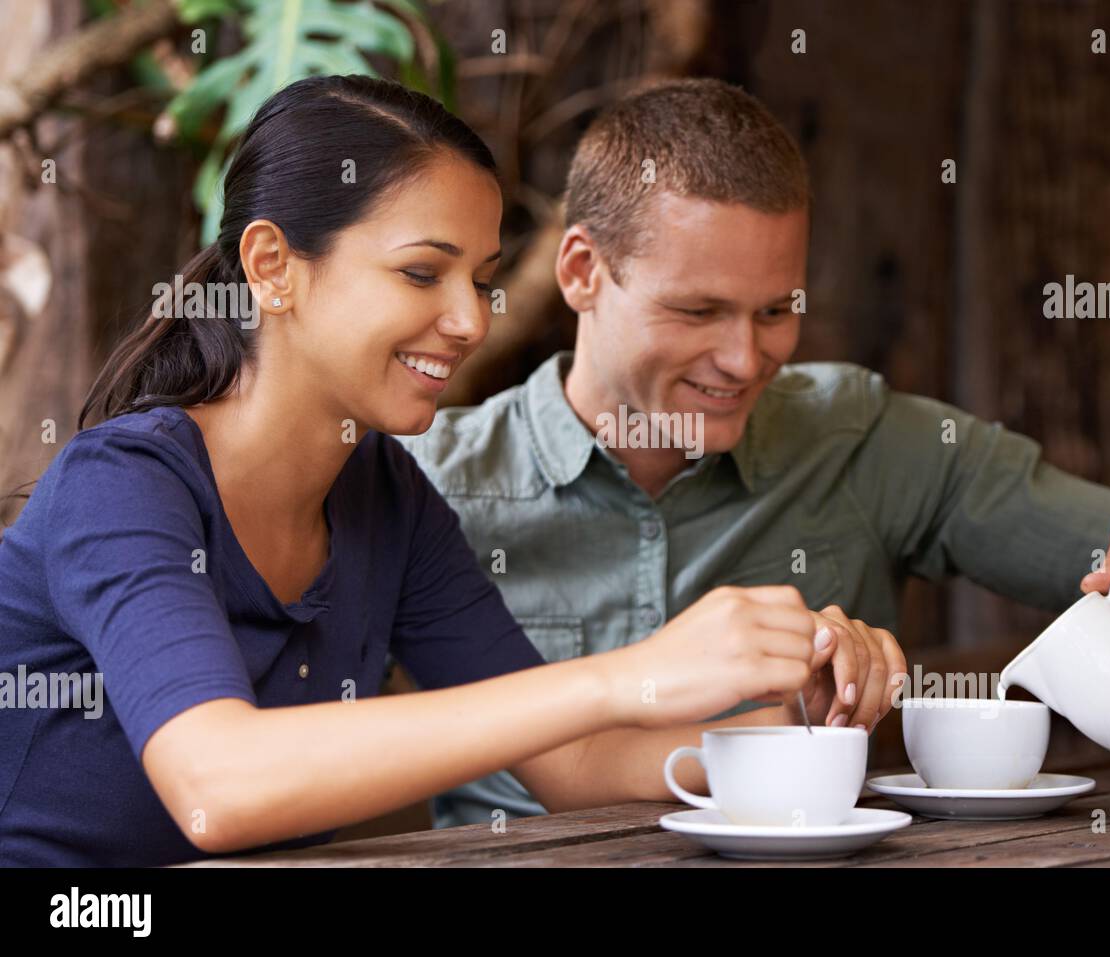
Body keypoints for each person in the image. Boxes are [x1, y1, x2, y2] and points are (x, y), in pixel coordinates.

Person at [0, 74, 898, 867]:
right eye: (423, 273)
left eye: (481, 277)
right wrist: (628, 674)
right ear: (272, 268)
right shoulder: (124, 482)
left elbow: (576, 767)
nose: (470, 320)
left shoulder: (385, 495)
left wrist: (798, 720)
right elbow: (217, 786)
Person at [399, 78, 1110, 827]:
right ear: (581, 272)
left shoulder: (868, 441)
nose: (745, 360)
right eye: (699, 311)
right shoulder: (433, 483)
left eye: (776, 309)